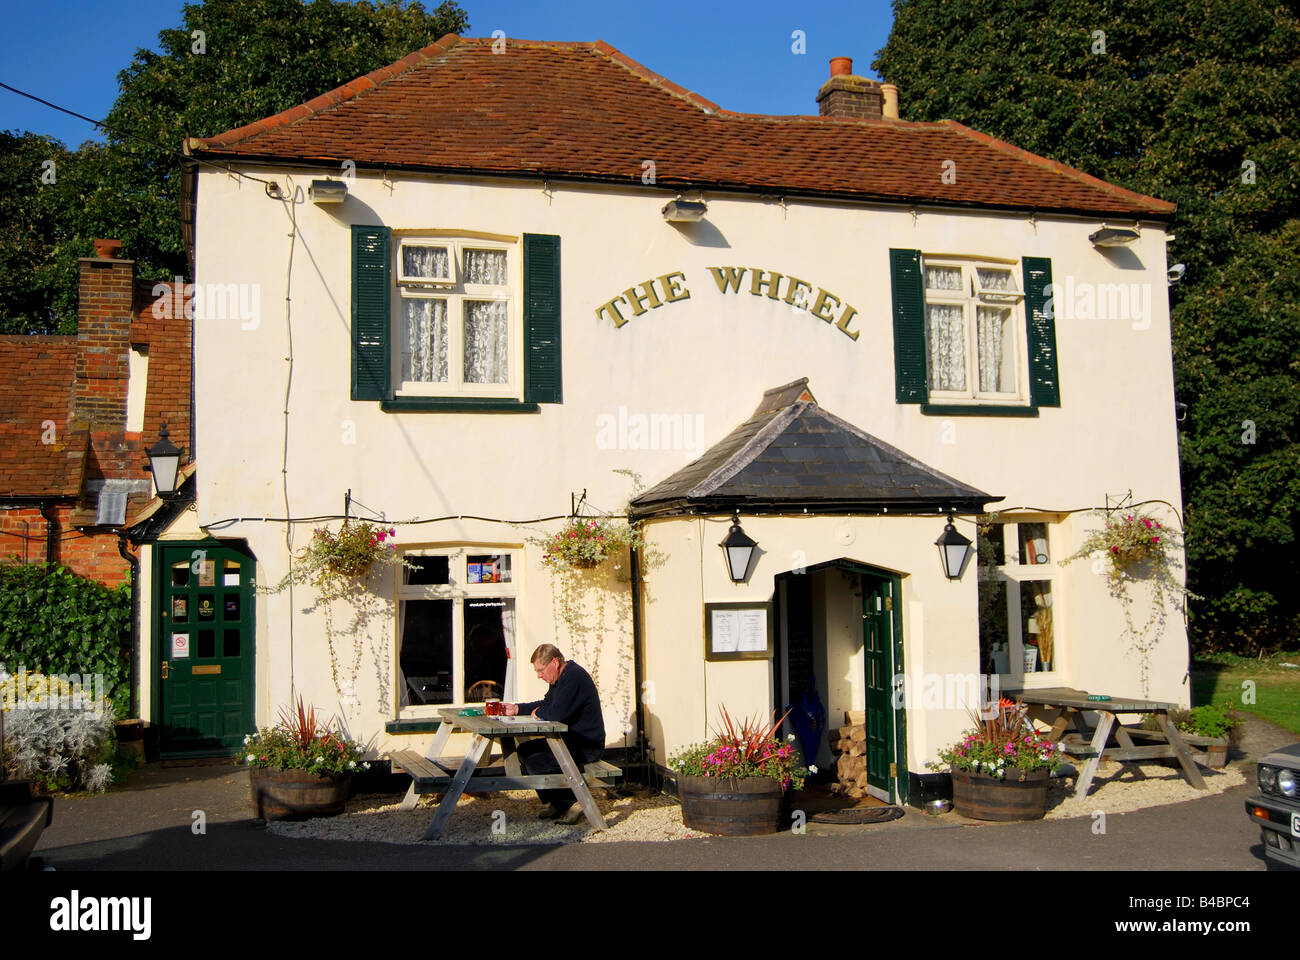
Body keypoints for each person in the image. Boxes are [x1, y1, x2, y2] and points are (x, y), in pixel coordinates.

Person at [503, 643, 605, 824]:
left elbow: (557, 713)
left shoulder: (574, 678)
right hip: (570, 741)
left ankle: (573, 803)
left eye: (541, 670)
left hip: (586, 745)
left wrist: (538, 712)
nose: (539, 676)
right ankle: (558, 803)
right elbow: (546, 704)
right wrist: (518, 708)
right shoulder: (560, 679)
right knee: (525, 751)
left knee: (536, 761)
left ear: (555, 662)